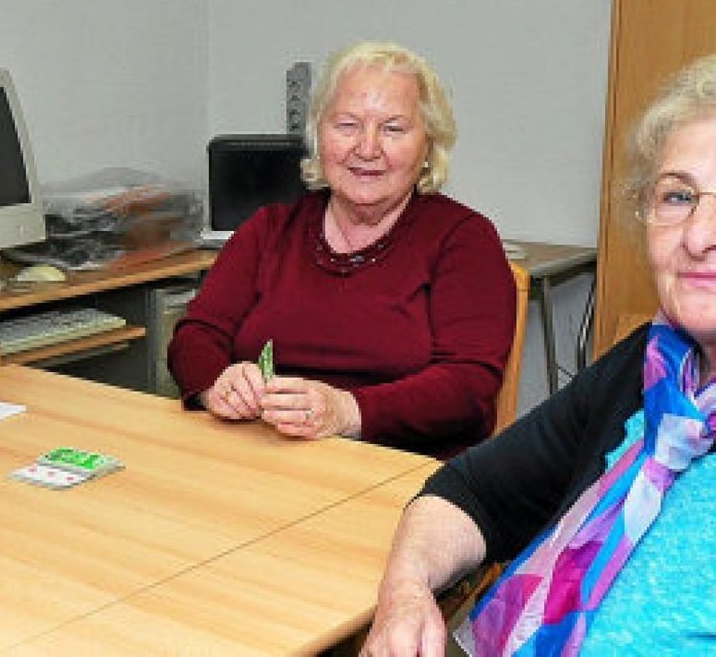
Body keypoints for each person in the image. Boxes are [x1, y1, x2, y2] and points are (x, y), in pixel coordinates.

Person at [363, 53, 716, 657]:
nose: (699, 234)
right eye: (678, 196)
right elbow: (474, 492)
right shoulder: (655, 366)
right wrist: (406, 593)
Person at [168, 42, 514, 458]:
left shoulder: (464, 239)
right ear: (319, 137)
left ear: (428, 146)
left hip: (401, 470)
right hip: (264, 458)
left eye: (393, 129)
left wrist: (347, 411)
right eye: (348, 125)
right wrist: (217, 384)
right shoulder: (269, 229)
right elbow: (195, 336)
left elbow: (469, 386)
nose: (367, 149)